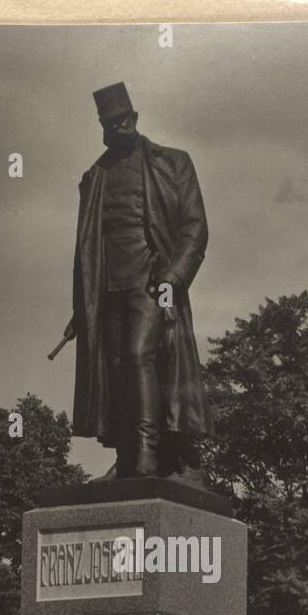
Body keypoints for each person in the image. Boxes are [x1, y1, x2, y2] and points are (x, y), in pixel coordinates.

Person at [60, 82, 212, 480]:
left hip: (153, 284)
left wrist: (173, 279)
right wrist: (82, 308)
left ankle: (148, 452)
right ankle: (127, 456)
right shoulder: (95, 177)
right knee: (115, 368)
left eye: (125, 119)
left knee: (139, 355)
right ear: (103, 126)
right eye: (111, 123)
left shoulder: (173, 162)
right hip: (107, 288)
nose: (119, 127)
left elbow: (194, 229)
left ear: (136, 117)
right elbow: (87, 248)